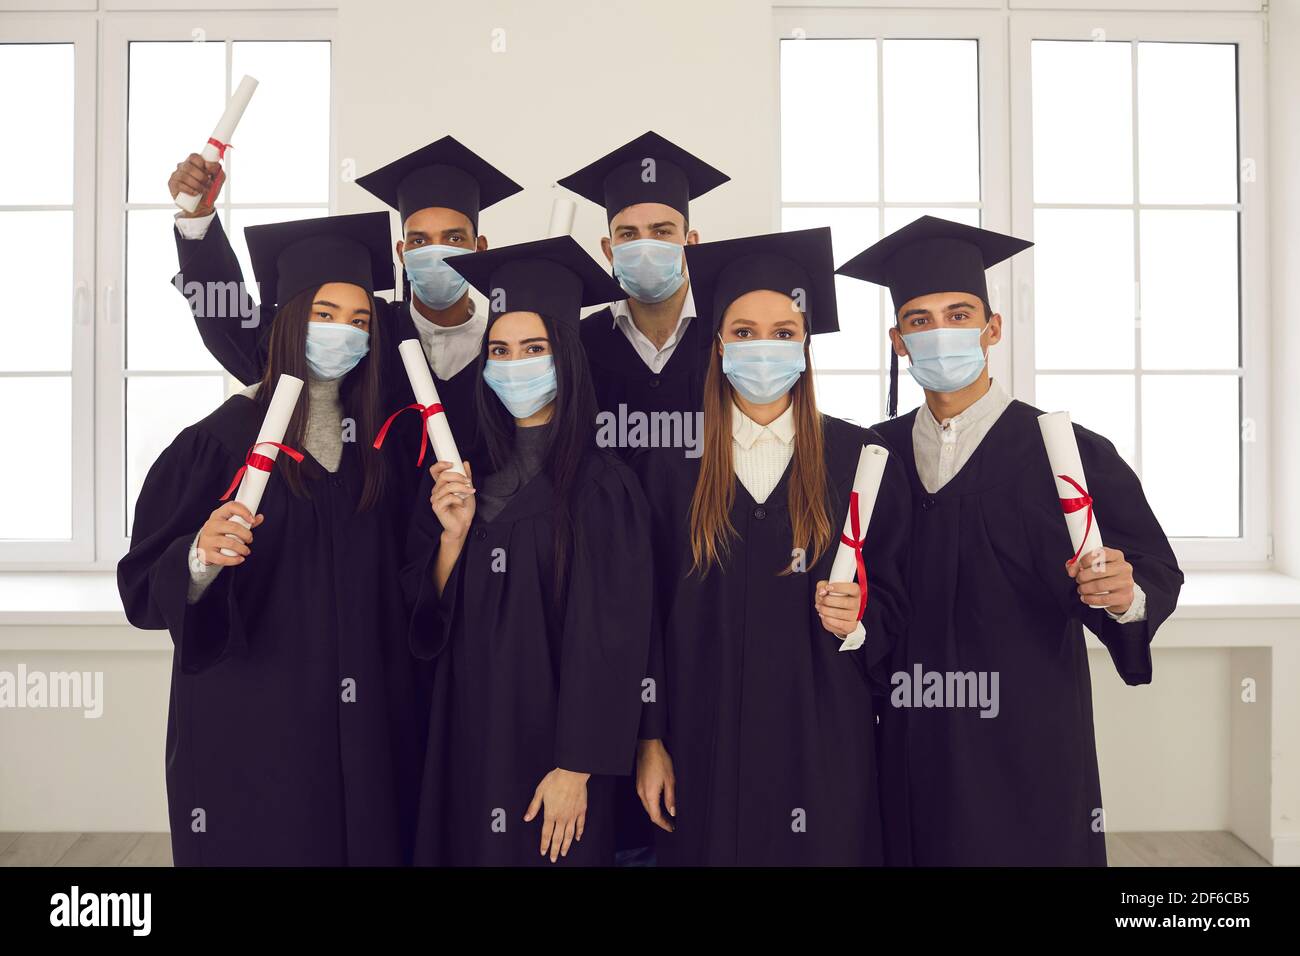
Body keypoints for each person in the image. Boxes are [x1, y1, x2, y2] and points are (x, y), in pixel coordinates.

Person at [835, 215, 1185, 865]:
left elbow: (1152, 569)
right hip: (908, 736)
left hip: (1028, 742)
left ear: (992, 329)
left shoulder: (1069, 456)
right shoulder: (871, 456)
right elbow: (863, 600)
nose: (941, 332)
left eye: (959, 313)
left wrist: (1126, 595)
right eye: (919, 320)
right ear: (898, 342)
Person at [117, 213, 425, 865]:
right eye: (324, 312)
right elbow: (146, 588)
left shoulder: (382, 447)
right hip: (258, 728)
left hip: (368, 719)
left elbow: (408, 580)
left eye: (360, 320)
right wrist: (200, 554)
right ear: (286, 319)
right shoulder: (219, 443)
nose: (343, 331)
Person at [632, 227, 912, 865]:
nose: (764, 348)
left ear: (806, 346)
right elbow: (642, 617)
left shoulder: (858, 459)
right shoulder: (673, 463)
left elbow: (898, 602)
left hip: (824, 744)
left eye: (784, 333)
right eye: (744, 331)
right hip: (702, 742)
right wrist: (651, 741)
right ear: (718, 344)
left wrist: (862, 624)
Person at [403, 237, 654, 866]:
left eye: (534, 349)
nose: (515, 364)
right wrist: (452, 540)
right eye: (500, 351)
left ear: (565, 359)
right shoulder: (464, 477)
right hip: (466, 736)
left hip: (555, 754)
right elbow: (428, 616)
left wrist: (577, 766)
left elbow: (614, 640)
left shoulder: (604, 486)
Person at [168, 135, 522, 452]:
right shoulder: (364, 328)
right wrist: (198, 219)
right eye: (419, 240)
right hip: (371, 521)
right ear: (401, 252)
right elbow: (239, 332)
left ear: (481, 248)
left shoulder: (510, 344)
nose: (436, 252)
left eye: (454, 238)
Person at [558, 130, 729, 429]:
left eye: (662, 232)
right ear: (609, 251)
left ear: (692, 244)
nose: (645, 246)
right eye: (628, 234)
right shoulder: (581, 343)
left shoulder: (727, 334)